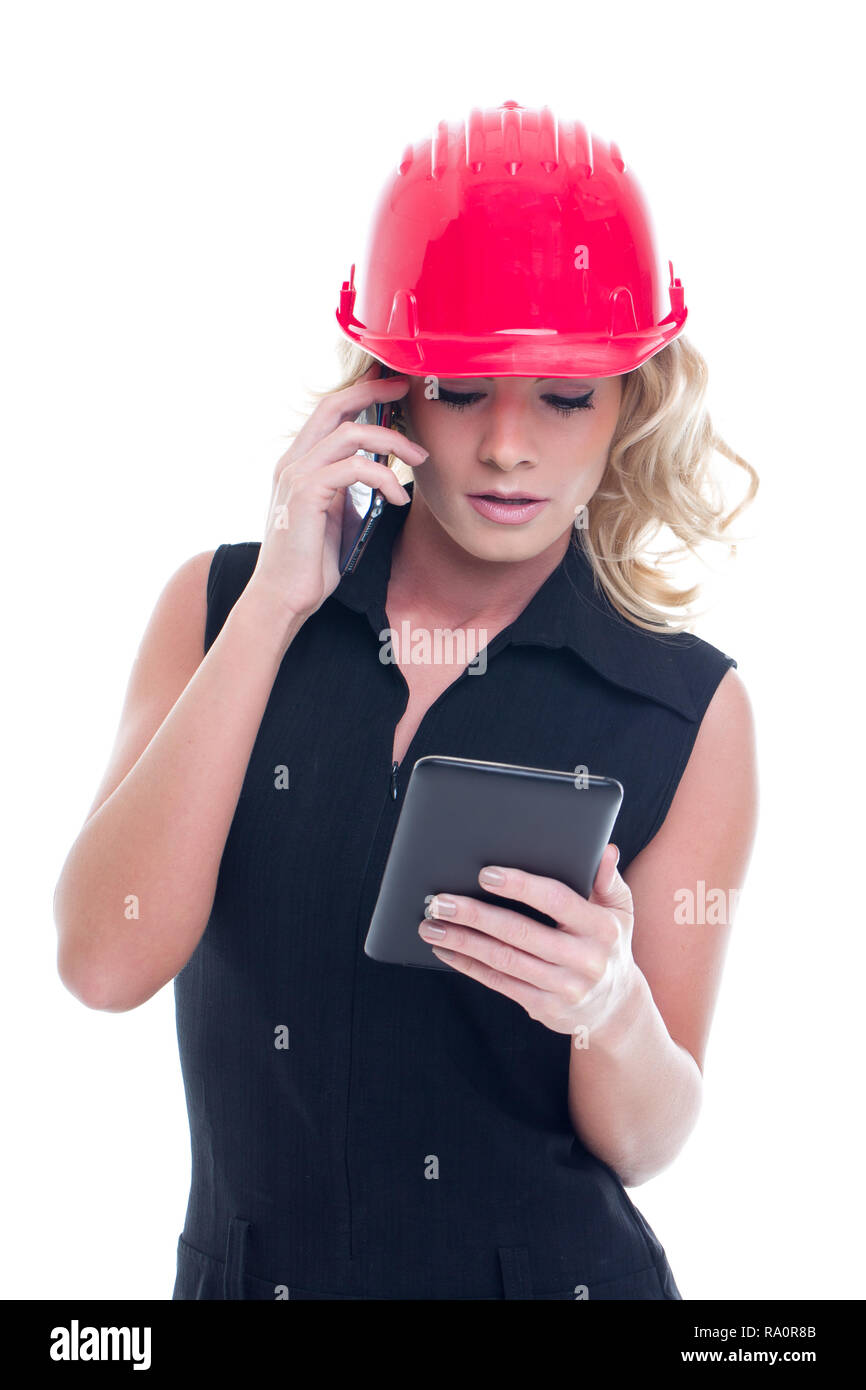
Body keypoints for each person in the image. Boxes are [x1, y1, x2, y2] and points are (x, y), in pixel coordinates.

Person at [53, 100, 759, 1300]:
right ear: (383, 387)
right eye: (460, 385)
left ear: (631, 400)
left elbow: (647, 1138)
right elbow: (102, 961)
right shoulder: (219, 606)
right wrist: (278, 601)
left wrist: (607, 1000)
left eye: (562, 396)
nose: (504, 447)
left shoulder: (686, 705)